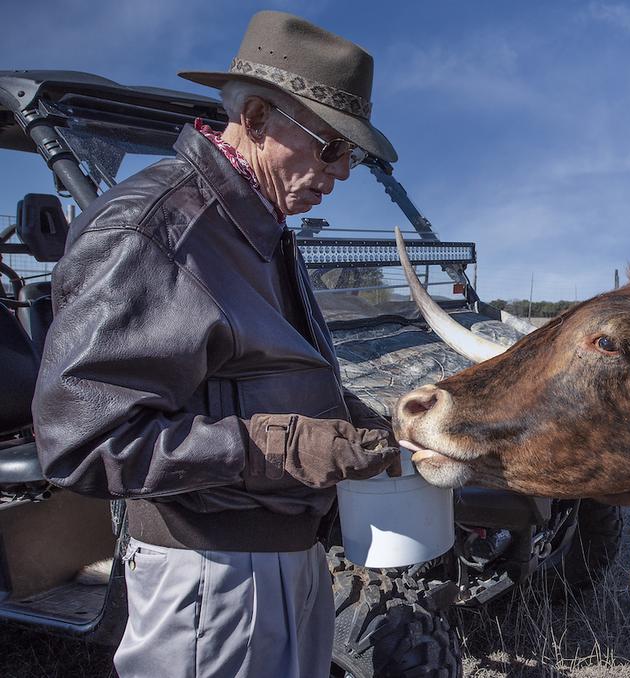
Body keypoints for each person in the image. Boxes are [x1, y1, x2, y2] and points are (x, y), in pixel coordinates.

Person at [31, 11, 402, 678]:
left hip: (280, 561)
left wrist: (355, 419)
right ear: (257, 118)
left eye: (354, 154)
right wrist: (289, 447)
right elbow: (87, 441)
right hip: (214, 575)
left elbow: (255, 370)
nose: (342, 172)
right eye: (330, 147)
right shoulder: (157, 234)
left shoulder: (258, 228)